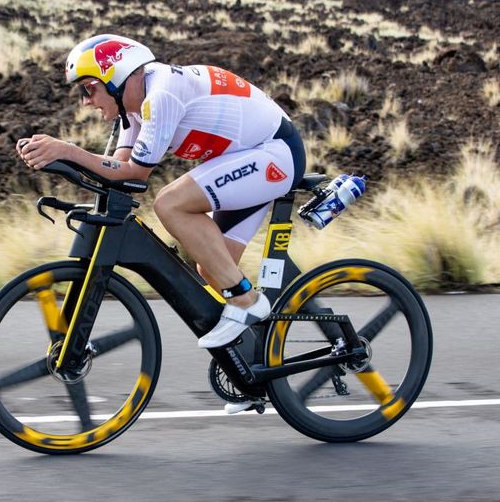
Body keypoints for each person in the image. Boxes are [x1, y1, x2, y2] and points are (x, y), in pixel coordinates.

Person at [17, 34, 306, 398]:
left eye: (89, 89)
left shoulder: (161, 94)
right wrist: (61, 160)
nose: (87, 101)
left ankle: (248, 304)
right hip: (249, 158)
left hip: (274, 154)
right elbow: (117, 167)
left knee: (170, 204)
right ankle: (263, 367)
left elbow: (136, 174)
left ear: (117, 78)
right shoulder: (132, 110)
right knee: (213, 267)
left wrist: (69, 150)